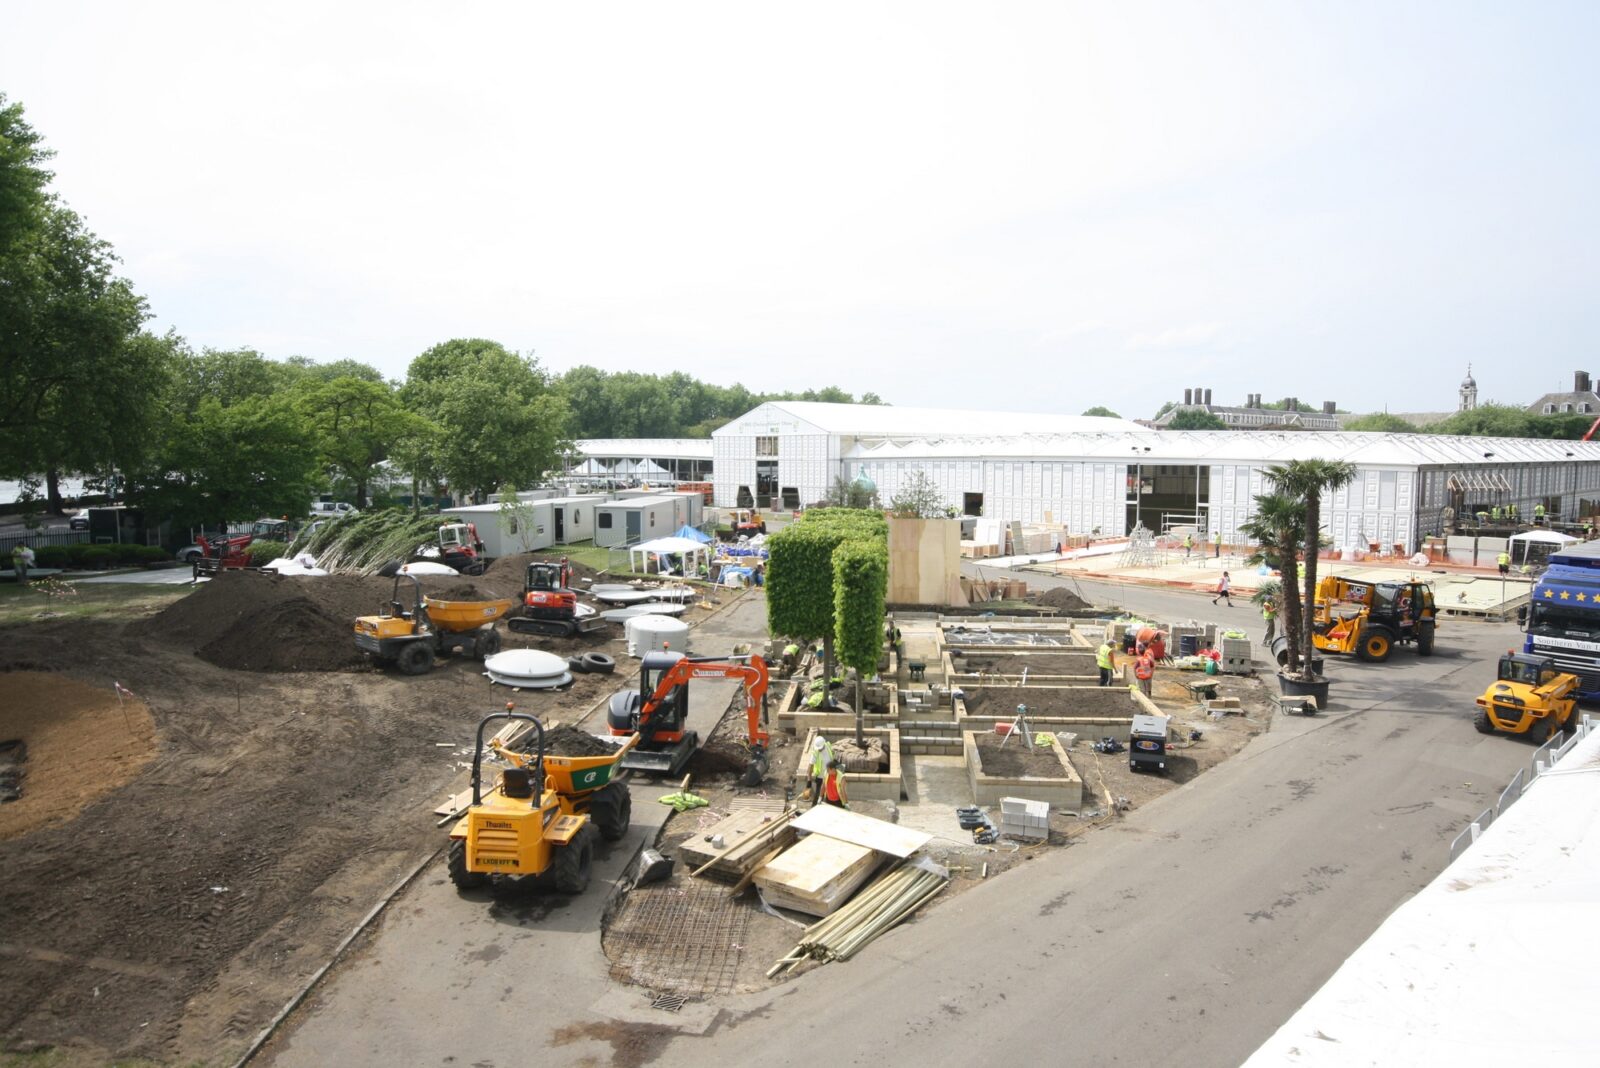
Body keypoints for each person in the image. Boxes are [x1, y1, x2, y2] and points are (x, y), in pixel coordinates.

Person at [805, 736, 834, 806]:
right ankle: (814, 809)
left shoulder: (828, 746)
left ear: (824, 744)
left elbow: (832, 755)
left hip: (829, 776)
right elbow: (810, 767)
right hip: (820, 778)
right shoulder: (815, 752)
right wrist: (809, 780)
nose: (819, 750)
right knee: (818, 795)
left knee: (830, 796)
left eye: (820, 748)